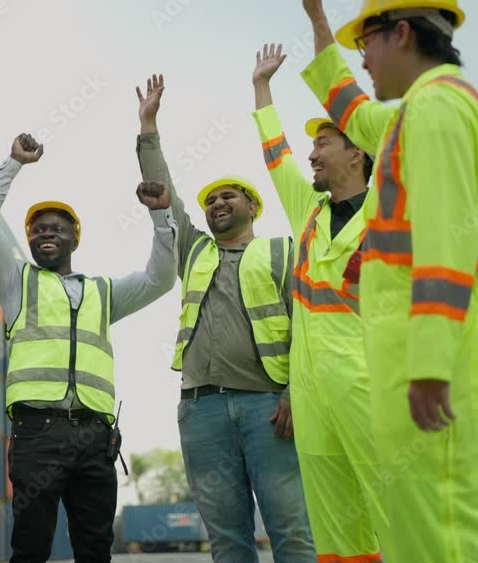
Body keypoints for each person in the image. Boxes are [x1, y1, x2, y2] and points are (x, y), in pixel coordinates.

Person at [299, 0, 478, 561]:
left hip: (436, 365)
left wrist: (431, 364)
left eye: (365, 43)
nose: (361, 59)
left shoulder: (435, 111)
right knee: (421, 536)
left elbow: (446, 243)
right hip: (412, 364)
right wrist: (318, 21)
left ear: (403, 34)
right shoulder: (406, 118)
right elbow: (347, 101)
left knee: (445, 537)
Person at [0, 133, 178, 563]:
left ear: (74, 240)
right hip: (37, 432)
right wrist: (14, 163)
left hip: (97, 437)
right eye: (39, 229)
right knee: (31, 546)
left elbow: (162, 278)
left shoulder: (104, 292)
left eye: (57, 229)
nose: (47, 233)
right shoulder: (15, 282)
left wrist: (161, 215)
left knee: (95, 548)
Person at [135, 74, 316, 563]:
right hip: (202, 411)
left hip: (268, 407)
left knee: (293, 531)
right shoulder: (192, 251)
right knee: (227, 541)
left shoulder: (283, 251)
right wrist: (148, 128)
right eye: (211, 200)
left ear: (253, 207)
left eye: (228, 196)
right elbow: (165, 194)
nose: (217, 203)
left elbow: (308, 327)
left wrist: (295, 394)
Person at [251, 42, 388, 562]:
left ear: (357, 152)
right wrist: (262, 88)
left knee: (394, 512)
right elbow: (276, 153)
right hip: (312, 400)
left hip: (370, 389)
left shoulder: (389, 210)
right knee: (335, 531)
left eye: (325, 142)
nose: (313, 153)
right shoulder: (308, 209)